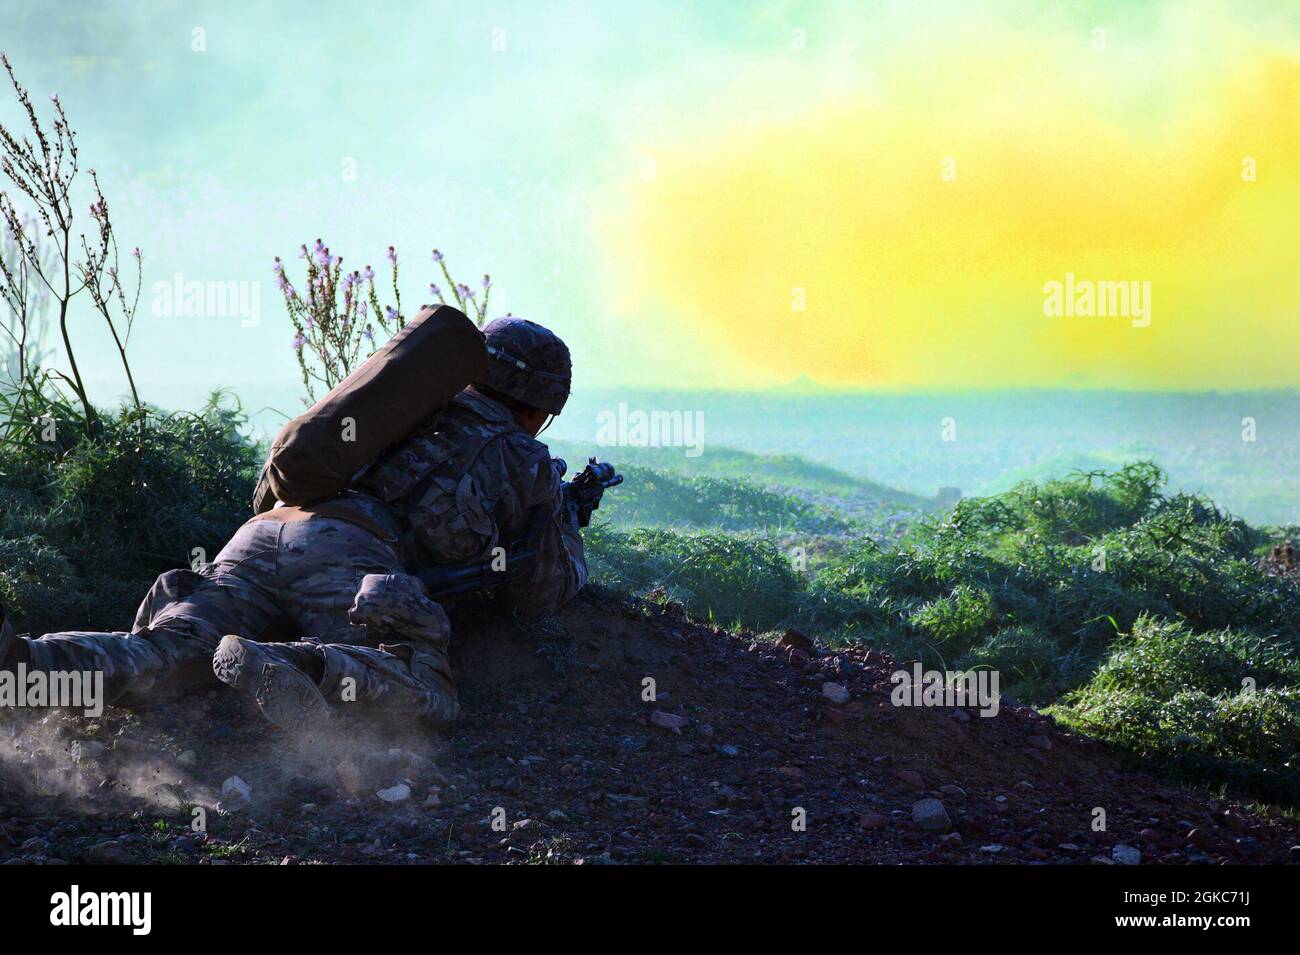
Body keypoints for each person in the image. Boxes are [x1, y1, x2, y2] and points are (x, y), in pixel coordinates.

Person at [0, 317, 587, 728]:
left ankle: (26, 665)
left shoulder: (401, 405)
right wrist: (566, 516)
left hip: (261, 534)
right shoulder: (522, 456)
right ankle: (293, 661)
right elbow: (541, 595)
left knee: (166, 651)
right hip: (349, 553)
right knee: (426, 685)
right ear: (537, 406)